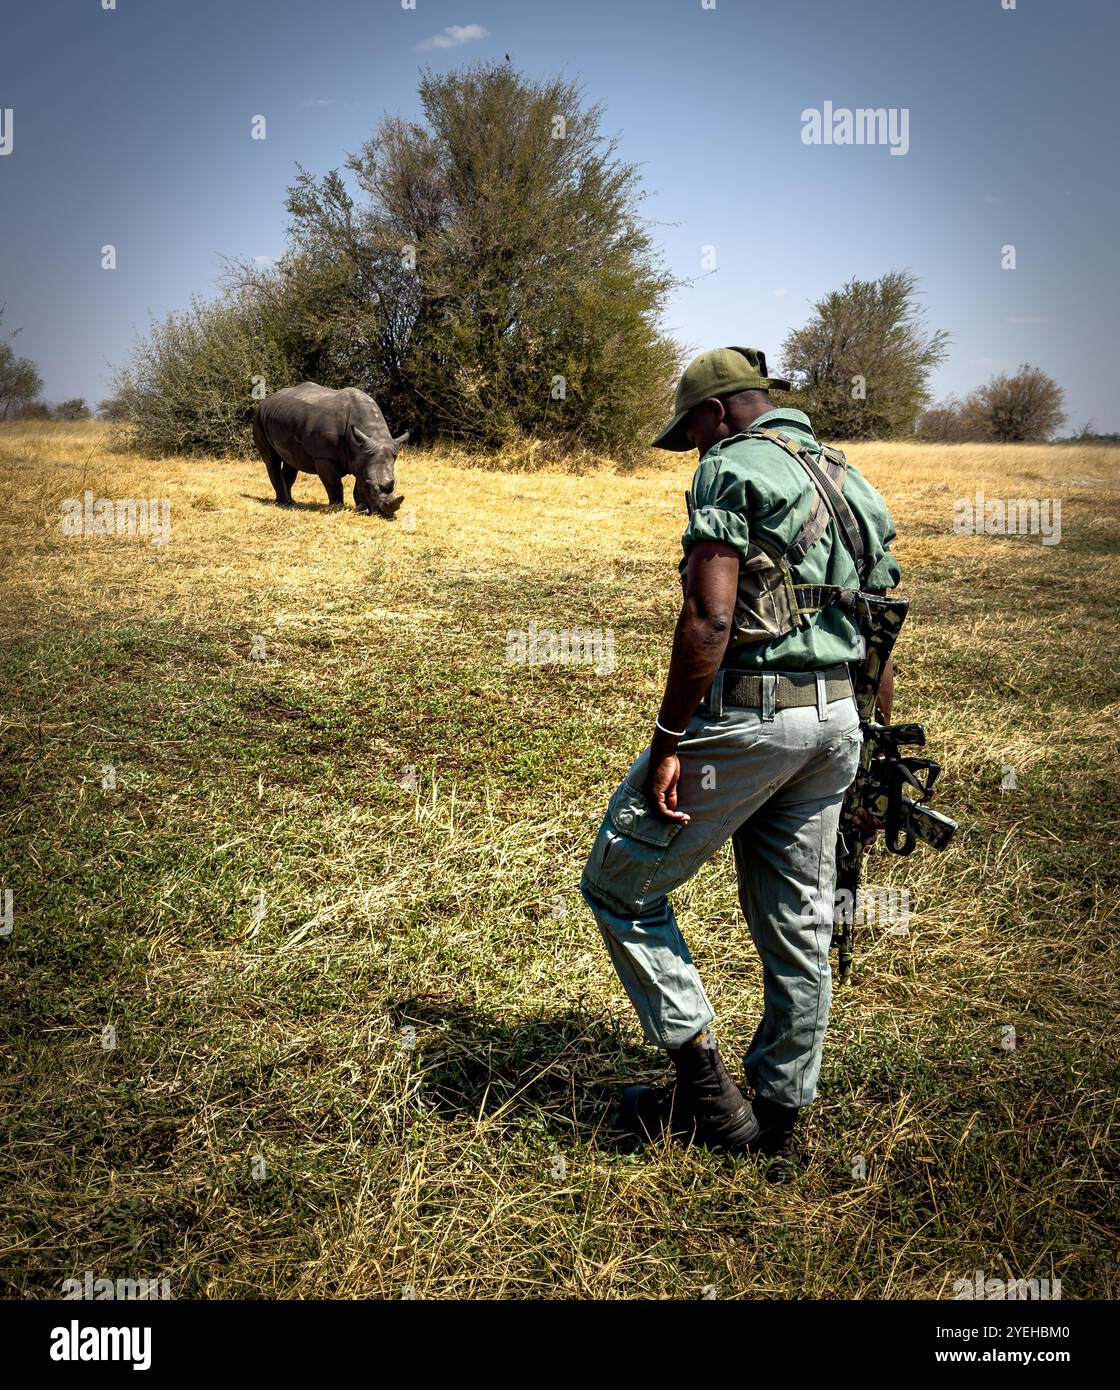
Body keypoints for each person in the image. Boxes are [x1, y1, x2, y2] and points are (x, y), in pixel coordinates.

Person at [579, 346, 901, 1179]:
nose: (692, 447)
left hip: (751, 726)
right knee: (800, 921)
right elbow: (883, 629)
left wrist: (668, 741)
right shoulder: (851, 479)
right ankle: (781, 1117)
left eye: (690, 430)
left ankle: (707, 1095)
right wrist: (866, 749)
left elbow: (710, 618)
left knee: (618, 882)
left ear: (717, 413)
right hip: (838, 722)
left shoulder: (730, 469)